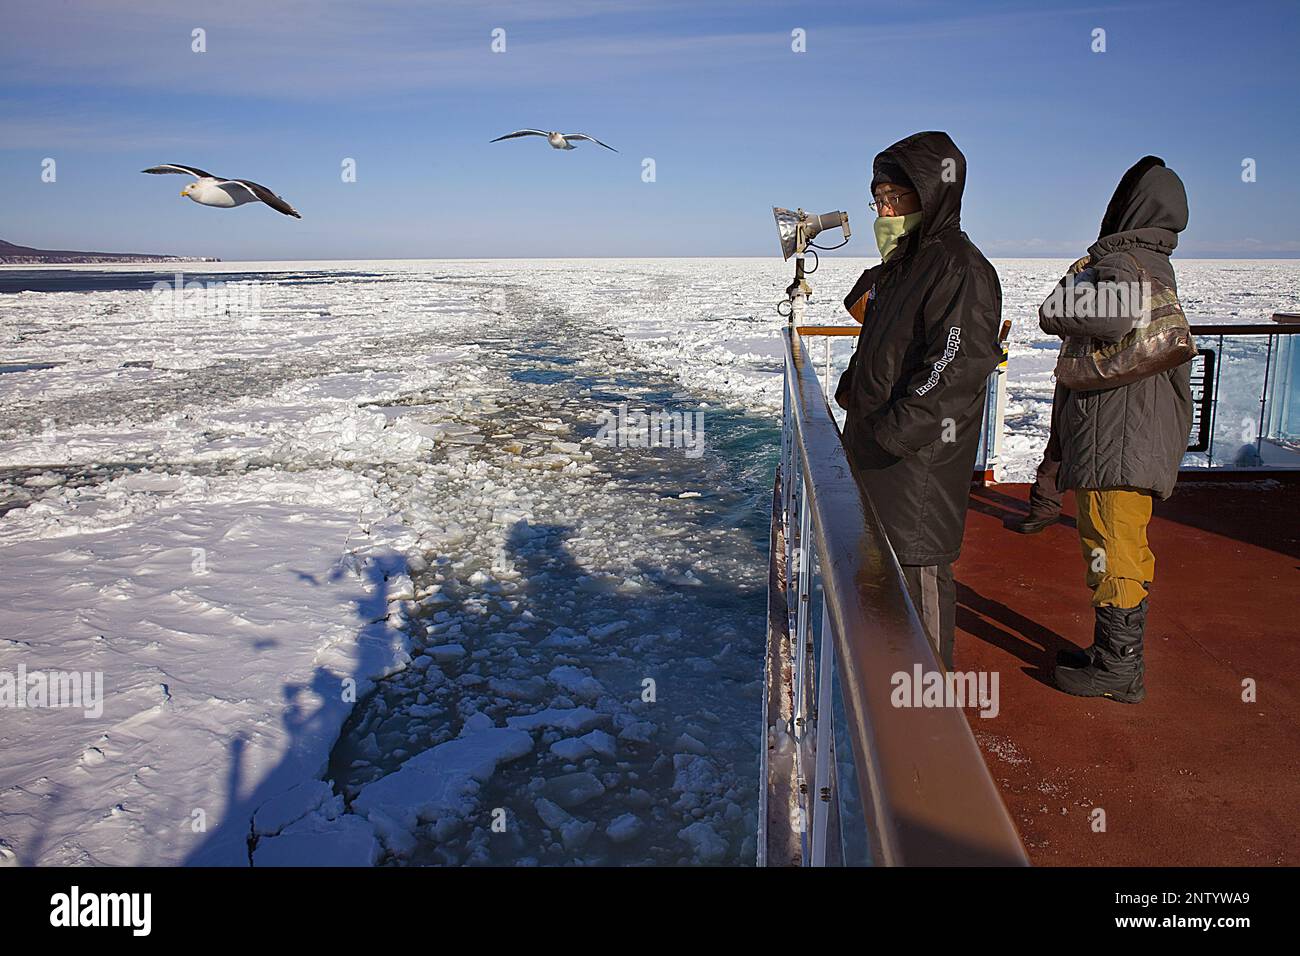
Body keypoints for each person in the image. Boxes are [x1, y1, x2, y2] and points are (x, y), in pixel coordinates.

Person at [834, 131, 1003, 670]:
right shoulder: (903, 266)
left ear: (929, 196)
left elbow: (955, 366)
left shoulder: (960, 268)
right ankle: (884, 703)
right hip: (877, 452)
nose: (882, 211)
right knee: (878, 584)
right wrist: (854, 393)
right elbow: (879, 339)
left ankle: (930, 727)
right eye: (877, 199)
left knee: (916, 582)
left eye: (893, 199)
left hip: (917, 466)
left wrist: (893, 432)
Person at [1038, 155, 1193, 704]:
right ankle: (1112, 656)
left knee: (1113, 543)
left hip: (1118, 434)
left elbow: (1098, 316)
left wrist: (1067, 290)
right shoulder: (1154, 262)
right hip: (1133, 429)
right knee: (1118, 542)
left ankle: (1118, 668)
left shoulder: (1124, 261)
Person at [1007, 383, 1064, 534]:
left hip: (1123, 382)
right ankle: (1046, 505)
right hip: (1077, 370)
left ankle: (1112, 510)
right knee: (1060, 439)